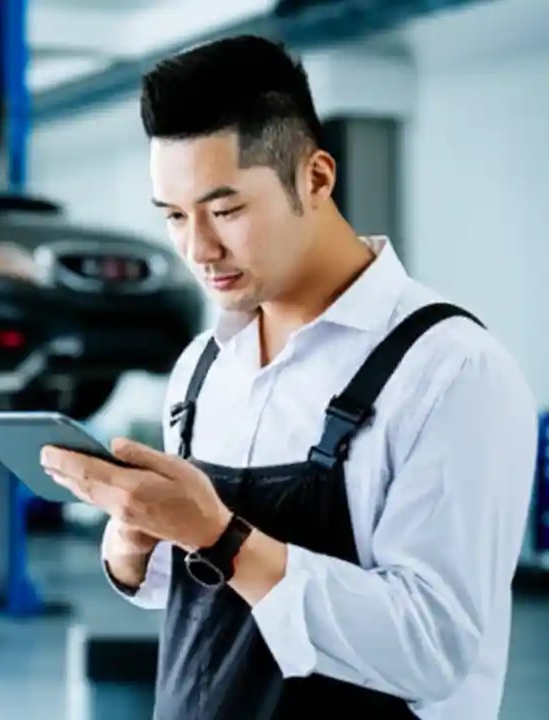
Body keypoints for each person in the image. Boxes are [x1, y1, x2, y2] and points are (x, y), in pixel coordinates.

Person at [39, 35, 536, 719]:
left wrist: (222, 537)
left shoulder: (450, 372)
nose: (198, 249)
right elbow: (181, 592)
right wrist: (132, 536)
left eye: (226, 211)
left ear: (317, 178)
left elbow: (431, 648)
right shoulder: (203, 368)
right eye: (176, 217)